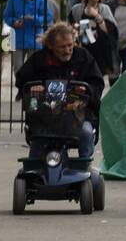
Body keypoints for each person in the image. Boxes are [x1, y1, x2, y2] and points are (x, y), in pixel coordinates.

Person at [14, 22, 104, 160]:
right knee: (38, 139)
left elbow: (97, 83)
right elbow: (21, 80)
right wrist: (33, 87)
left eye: (70, 45)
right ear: (50, 46)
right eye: (62, 47)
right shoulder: (39, 59)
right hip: (45, 117)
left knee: (86, 133)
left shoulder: (83, 57)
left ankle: (84, 166)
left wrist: (86, 89)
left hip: (77, 117)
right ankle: (32, 170)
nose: (68, 50)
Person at [69, 0, 119, 81]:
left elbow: (111, 31)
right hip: (83, 50)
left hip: (101, 51)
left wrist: (96, 16)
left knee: (98, 79)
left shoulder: (105, 9)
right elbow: (69, 27)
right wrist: (76, 29)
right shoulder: (77, 9)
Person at [3, 0, 50, 74]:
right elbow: (6, 16)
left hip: (35, 38)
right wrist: (14, 22)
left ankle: (31, 88)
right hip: (17, 38)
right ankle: (22, 87)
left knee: (34, 67)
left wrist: (33, 18)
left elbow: (48, 17)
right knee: (17, 67)